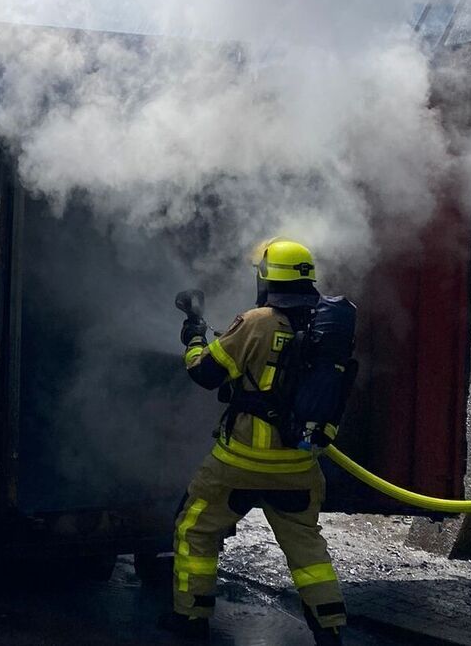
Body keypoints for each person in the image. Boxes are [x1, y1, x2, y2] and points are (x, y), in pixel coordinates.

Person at [160, 238, 345, 645]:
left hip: (239, 462)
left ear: (267, 278)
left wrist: (194, 338)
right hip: (299, 465)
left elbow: (205, 373)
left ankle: (191, 618)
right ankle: (330, 628)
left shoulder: (258, 321)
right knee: (307, 548)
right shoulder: (327, 326)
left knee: (195, 528)